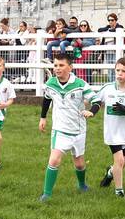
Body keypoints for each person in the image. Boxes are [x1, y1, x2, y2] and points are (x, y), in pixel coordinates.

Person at [38, 52, 94, 202]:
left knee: (80, 163)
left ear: (70, 67)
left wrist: (91, 111)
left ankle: (82, 185)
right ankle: (46, 194)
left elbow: (95, 100)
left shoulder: (80, 84)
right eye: (55, 65)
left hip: (78, 130)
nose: (57, 68)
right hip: (60, 130)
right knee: (54, 160)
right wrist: (43, 118)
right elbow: (46, 99)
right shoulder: (50, 83)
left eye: (61, 65)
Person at [91, 57, 125, 196]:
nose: (120, 73)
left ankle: (109, 173)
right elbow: (96, 100)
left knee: (123, 163)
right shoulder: (107, 88)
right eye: (118, 70)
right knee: (119, 161)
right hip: (112, 132)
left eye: (124, 71)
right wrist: (92, 111)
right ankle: (119, 191)